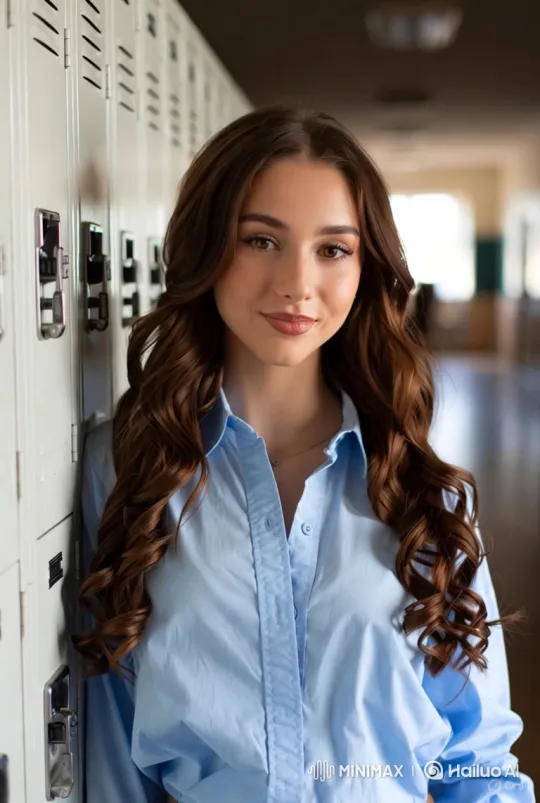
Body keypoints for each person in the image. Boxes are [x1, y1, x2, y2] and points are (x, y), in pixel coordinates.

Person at [73, 106, 534, 803]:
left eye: (333, 248)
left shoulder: (422, 493)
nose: (296, 282)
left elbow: (480, 760)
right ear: (206, 247)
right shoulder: (125, 470)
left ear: (365, 265)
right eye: (261, 239)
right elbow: (109, 758)